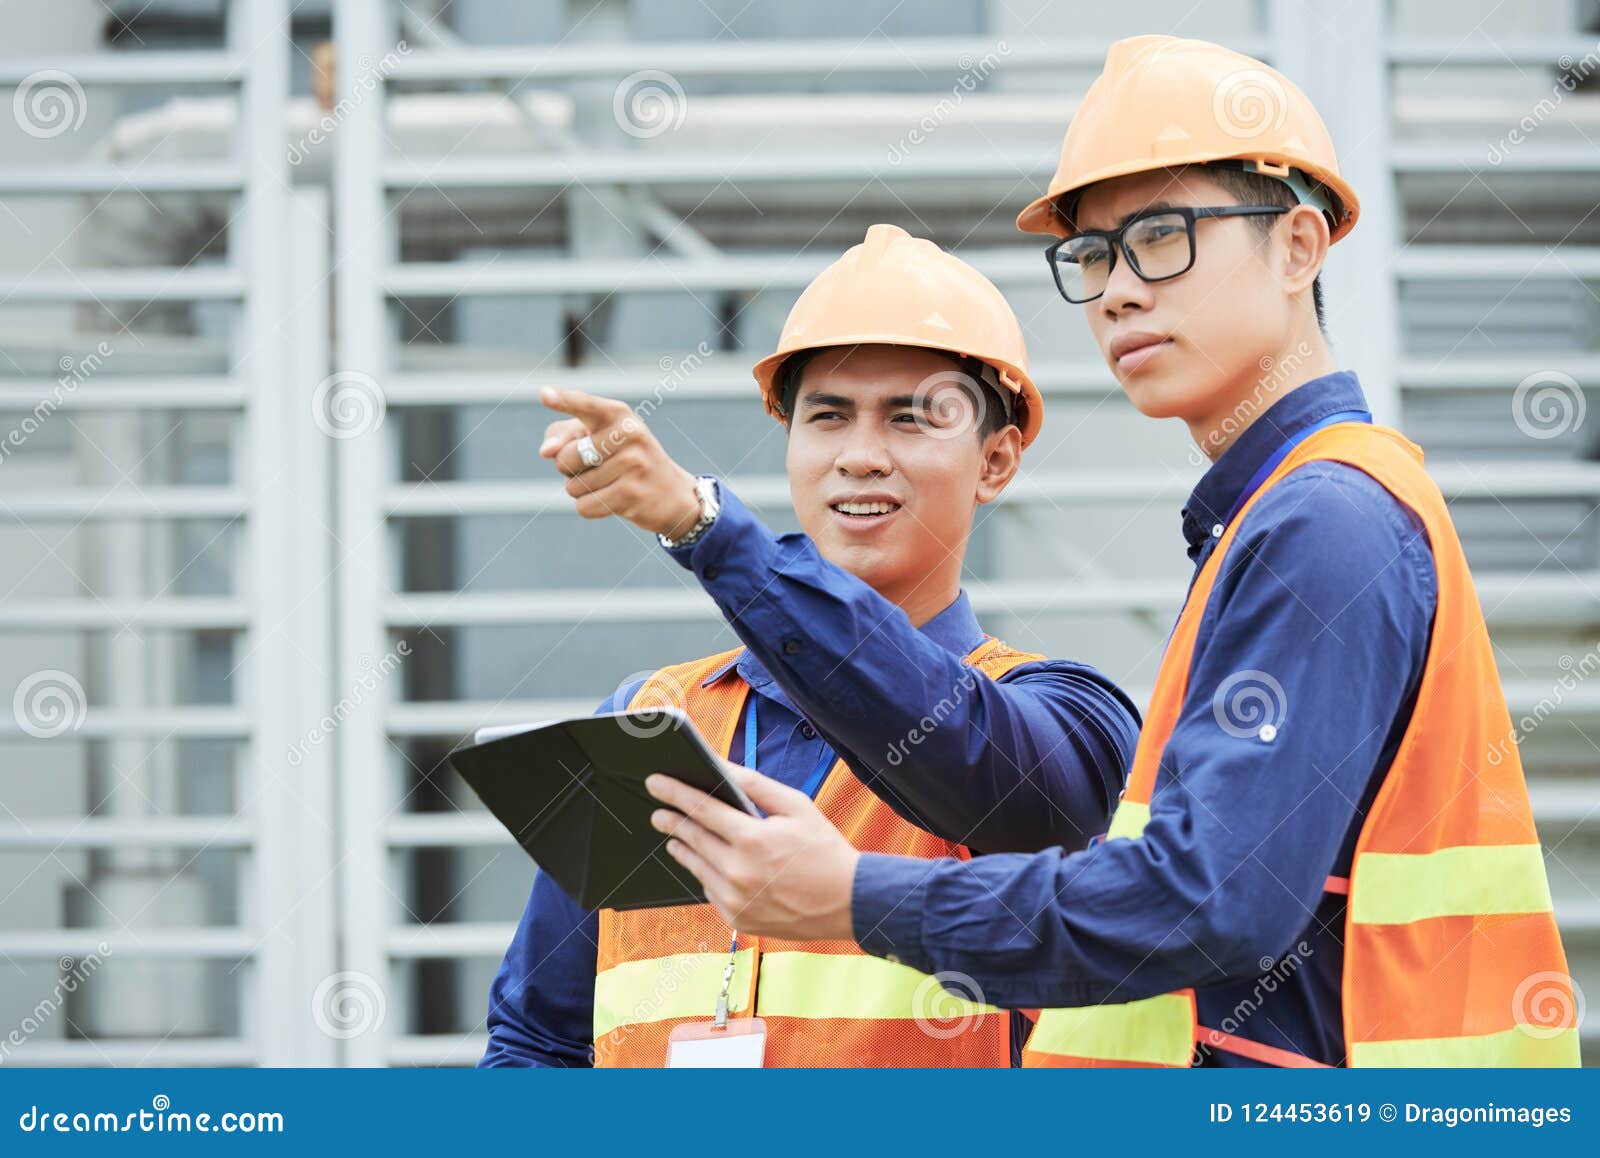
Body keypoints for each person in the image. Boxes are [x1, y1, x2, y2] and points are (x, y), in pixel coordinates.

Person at [646, 36, 1581, 1068]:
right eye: (1092, 256)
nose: (1117, 292)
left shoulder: (1326, 520)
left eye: (1162, 237)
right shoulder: (1278, 517)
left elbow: (1209, 900)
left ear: (1299, 248)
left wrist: (854, 899)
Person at [479, 223, 1140, 1067]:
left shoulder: (1062, 724)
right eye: (828, 416)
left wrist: (705, 527)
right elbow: (540, 1038)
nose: (861, 456)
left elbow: (982, 768)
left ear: (997, 460)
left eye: (912, 418)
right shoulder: (647, 722)